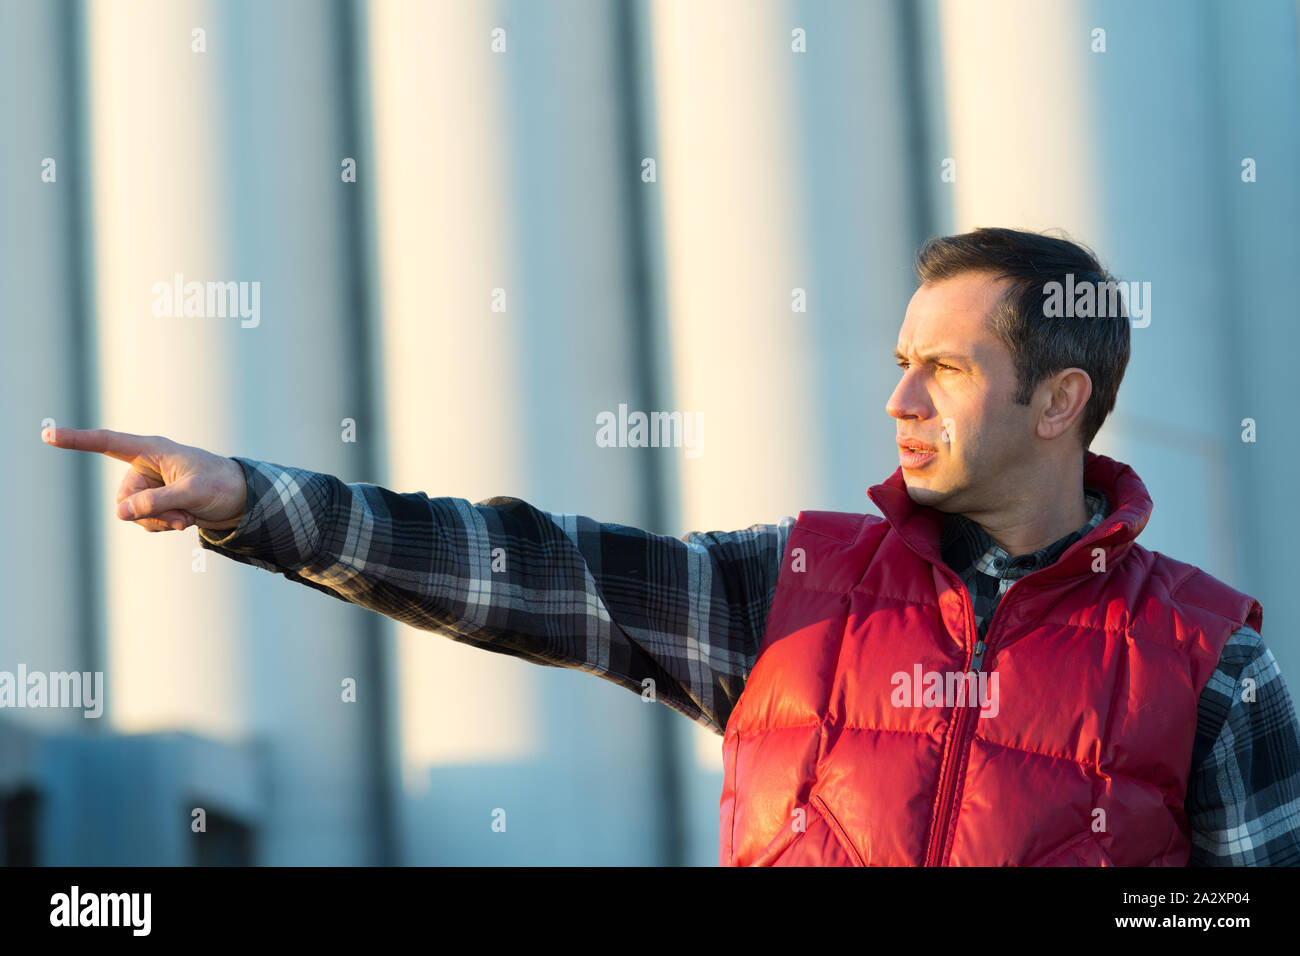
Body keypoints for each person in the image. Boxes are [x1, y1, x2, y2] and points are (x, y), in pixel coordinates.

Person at [45, 227, 1300, 866]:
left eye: (943, 368)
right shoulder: (795, 595)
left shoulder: (1208, 667)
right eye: (898, 363)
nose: (898, 401)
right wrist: (251, 502)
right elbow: (518, 568)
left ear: (1059, 401)